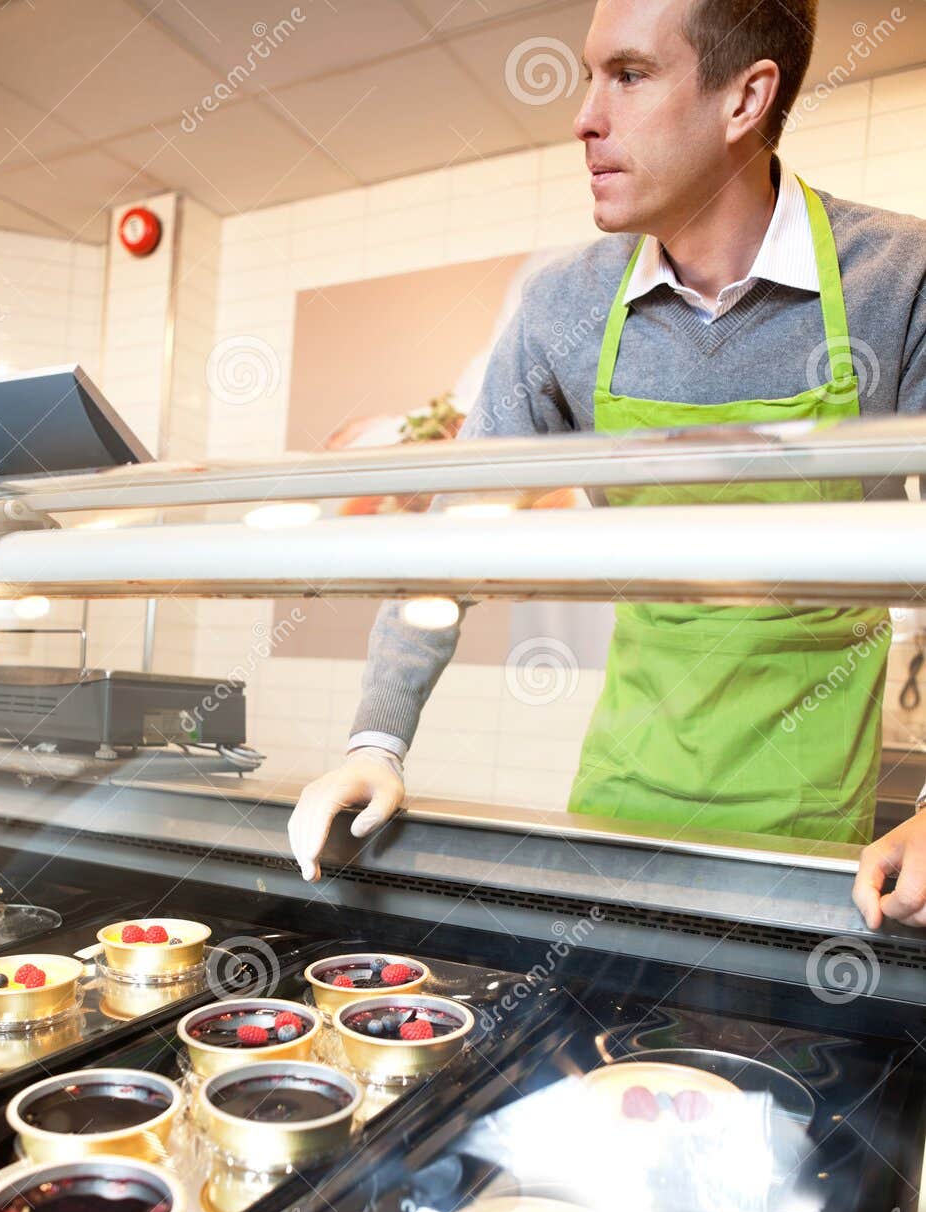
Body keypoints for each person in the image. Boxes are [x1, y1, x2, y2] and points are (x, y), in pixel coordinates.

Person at [287, 0, 926, 932]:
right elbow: (457, 538)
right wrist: (374, 742)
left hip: (811, 794)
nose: (582, 115)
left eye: (626, 76)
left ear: (745, 98)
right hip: (625, 774)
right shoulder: (562, 306)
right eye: (589, 76)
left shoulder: (897, 279)